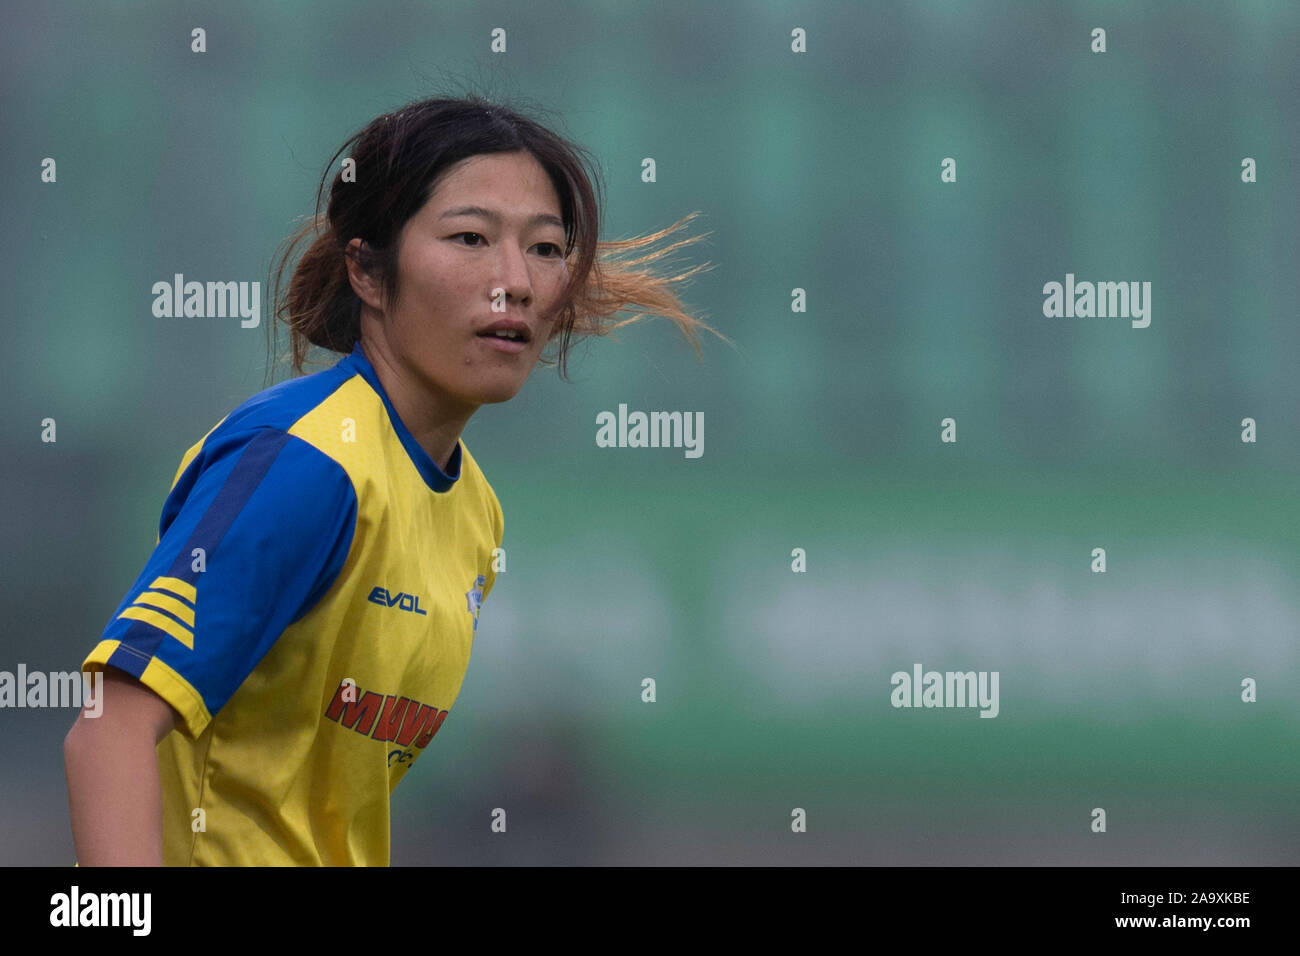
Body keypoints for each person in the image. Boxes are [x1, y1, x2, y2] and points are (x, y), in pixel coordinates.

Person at [63, 95, 727, 865]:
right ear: (368, 272)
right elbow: (108, 728)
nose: (514, 280)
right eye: (470, 238)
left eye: (545, 249)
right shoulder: (307, 463)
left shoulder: (475, 513)